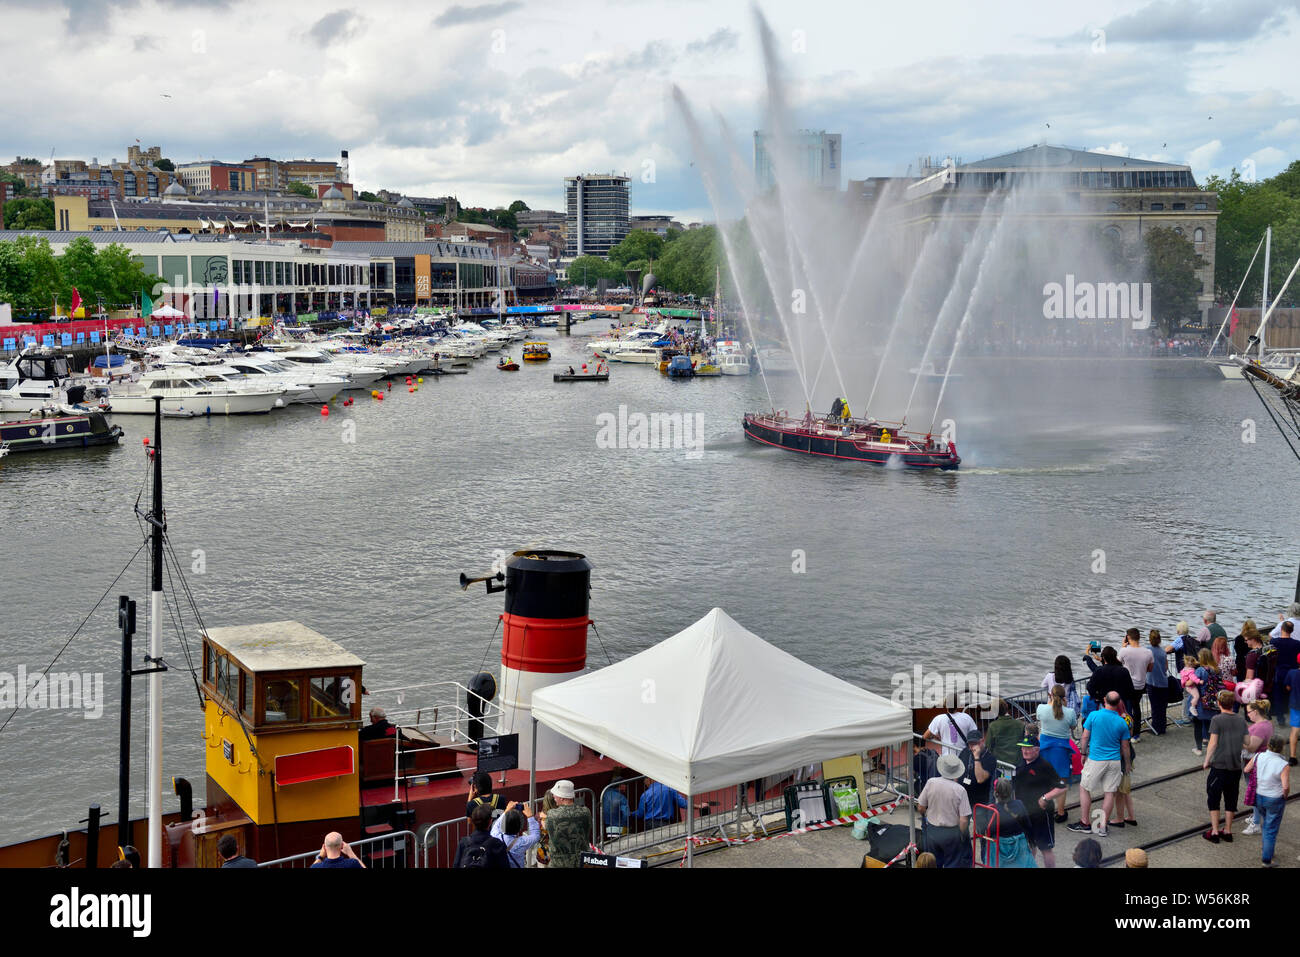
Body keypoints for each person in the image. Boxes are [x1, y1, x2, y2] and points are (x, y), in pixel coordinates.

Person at [1069, 692, 1131, 838]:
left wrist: (1083, 754)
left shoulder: (1093, 716)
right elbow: (1125, 747)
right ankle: (1102, 826)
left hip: (1096, 759)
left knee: (1084, 788)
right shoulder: (1122, 722)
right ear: (1118, 703)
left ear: (1104, 700)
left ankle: (1085, 822)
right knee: (1109, 793)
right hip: (1114, 761)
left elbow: (1085, 736)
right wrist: (1127, 764)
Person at [1012, 733, 1068, 867]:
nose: (1025, 751)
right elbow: (1015, 787)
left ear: (1037, 749)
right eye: (1023, 748)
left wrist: (1045, 797)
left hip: (1041, 815)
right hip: (1024, 813)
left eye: (1028, 748)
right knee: (1028, 846)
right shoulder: (1019, 764)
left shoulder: (1044, 765)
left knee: (1045, 849)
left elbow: (1062, 787)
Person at [1202, 689, 1249, 844]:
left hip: (1220, 766)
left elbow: (1213, 743)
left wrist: (1206, 760)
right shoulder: (1241, 719)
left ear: (1219, 703)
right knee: (1231, 798)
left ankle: (1215, 831)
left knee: (1214, 797)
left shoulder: (1217, 720)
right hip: (1235, 767)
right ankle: (1228, 830)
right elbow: (1247, 743)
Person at [916, 753, 971, 868]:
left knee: (933, 863)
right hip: (951, 832)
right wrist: (961, 834)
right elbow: (964, 820)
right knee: (953, 863)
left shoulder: (931, 782)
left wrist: (926, 816)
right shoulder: (960, 790)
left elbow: (920, 807)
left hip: (933, 830)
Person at [1244, 736, 1290, 866]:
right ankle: (1266, 859)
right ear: (1282, 747)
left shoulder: (1259, 756)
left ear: (1269, 745)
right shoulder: (1283, 764)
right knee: (1271, 828)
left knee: (1266, 824)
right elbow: (1285, 786)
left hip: (1258, 795)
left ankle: (1267, 850)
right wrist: (1285, 795)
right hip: (1275, 798)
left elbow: (1246, 769)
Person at [1035, 684, 1078, 823]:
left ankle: (1044, 809)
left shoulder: (1041, 708)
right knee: (1061, 782)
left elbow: (1039, 717)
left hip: (1045, 748)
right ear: (1063, 697)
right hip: (1061, 750)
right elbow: (1073, 726)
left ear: (1050, 695)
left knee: (1044, 780)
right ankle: (1060, 812)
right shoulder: (1070, 712)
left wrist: (1050, 702)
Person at [974, 778, 1036, 868]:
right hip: (1019, 843)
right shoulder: (1019, 804)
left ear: (995, 793)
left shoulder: (993, 809)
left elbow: (990, 831)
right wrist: (1032, 842)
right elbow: (1027, 824)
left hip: (1000, 845)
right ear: (1011, 791)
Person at [1241, 700, 1274, 835]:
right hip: (1258, 762)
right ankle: (1256, 816)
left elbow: (1252, 747)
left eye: (1249, 712)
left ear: (1255, 712)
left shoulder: (1260, 728)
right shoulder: (1266, 724)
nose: (1248, 715)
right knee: (1256, 791)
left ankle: (1256, 823)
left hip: (1254, 763)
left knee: (1254, 793)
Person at [542, 779, 591, 868]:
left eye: (555, 794)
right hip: (582, 862)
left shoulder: (552, 814)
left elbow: (549, 832)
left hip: (559, 864)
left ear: (562, 797)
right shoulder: (586, 812)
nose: (553, 796)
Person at [1117, 628, 1153, 740]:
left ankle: (1127, 732)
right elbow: (1150, 669)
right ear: (1139, 637)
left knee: (1126, 710)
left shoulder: (1124, 651)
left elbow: (1118, 665)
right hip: (1140, 685)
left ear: (1127, 637)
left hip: (1127, 685)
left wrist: (1123, 646)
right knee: (1136, 708)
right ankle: (1136, 734)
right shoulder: (1148, 652)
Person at [454, 804, 510, 868]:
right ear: (490, 822)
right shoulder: (497, 844)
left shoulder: (463, 842)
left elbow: (456, 865)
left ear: (472, 821)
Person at [1190, 649, 1223, 754]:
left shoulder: (1200, 670)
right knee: (1211, 723)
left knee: (1198, 724)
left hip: (1202, 700)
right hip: (1214, 699)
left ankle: (1199, 749)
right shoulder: (1217, 669)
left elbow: (1192, 683)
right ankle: (1211, 743)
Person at [1085, 647, 1135, 716]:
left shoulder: (1099, 671)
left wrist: (1099, 697)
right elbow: (1130, 690)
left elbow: (1090, 687)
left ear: (1103, 658)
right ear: (1115, 656)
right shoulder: (1123, 670)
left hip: (1105, 703)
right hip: (1121, 703)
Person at [490, 802, 540, 868]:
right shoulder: (522, 842)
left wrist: (506, 810)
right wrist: (530, 816)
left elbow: (497, 825)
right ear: (520, 827)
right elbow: (536, 835)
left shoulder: (496, 836)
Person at [957, 728, 998, 810]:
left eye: (975, 743)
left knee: (980, 822)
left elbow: (980, 779)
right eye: (970, 744)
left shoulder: (990, 758)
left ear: (982, 741)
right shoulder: (965, 752)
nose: (972, 747)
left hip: (980, 802)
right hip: (963, 798)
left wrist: (976, 757)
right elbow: (957, 771)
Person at [983, 700, 1025, 766]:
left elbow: (988, 746)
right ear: (1007, 707)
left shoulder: (993, 726)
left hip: (1000, 764)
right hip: (1018, 762)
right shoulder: (1020, 724)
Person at [1270, 620, 1300, 710]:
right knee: (1290, 691)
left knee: (1278, 692)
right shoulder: (1297, 643)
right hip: (1292, 670)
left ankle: (1280, 714)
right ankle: (1288, 708)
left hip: (1278, 670)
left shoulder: (1274, 642)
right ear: (1292, 630)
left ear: (1281, 629)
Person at [1147, 630, 1170, 735]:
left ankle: (1156, 727)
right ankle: (1162, 727)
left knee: (1155, 706)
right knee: (1162, 707)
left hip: (1152, 682)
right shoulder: (1163, 651)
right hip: (1163, 682)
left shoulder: (1147, 650)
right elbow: (1166, 667)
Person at [601, 776, 631, 840]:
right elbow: (626, 814)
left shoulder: (605, 794)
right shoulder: (622, 798)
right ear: (621, 785)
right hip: (621, 828)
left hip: (608, 829)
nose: (626, 786)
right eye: (625, 784)